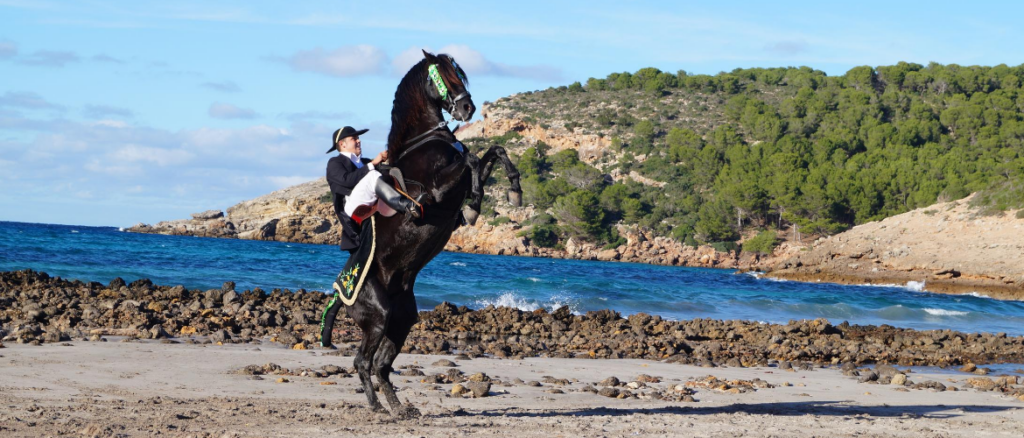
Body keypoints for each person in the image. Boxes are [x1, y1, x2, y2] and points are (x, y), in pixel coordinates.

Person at [325, 126, 421, 253]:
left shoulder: (364, 162)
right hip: (350, 207)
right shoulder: (335, 162)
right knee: (372, 175)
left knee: (385, 174)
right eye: (354, 138)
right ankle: (406, 205)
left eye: (358, 138)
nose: (358, 141)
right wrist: (373, 164)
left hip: (367, 198)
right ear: (342, 144)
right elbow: (347, 181)